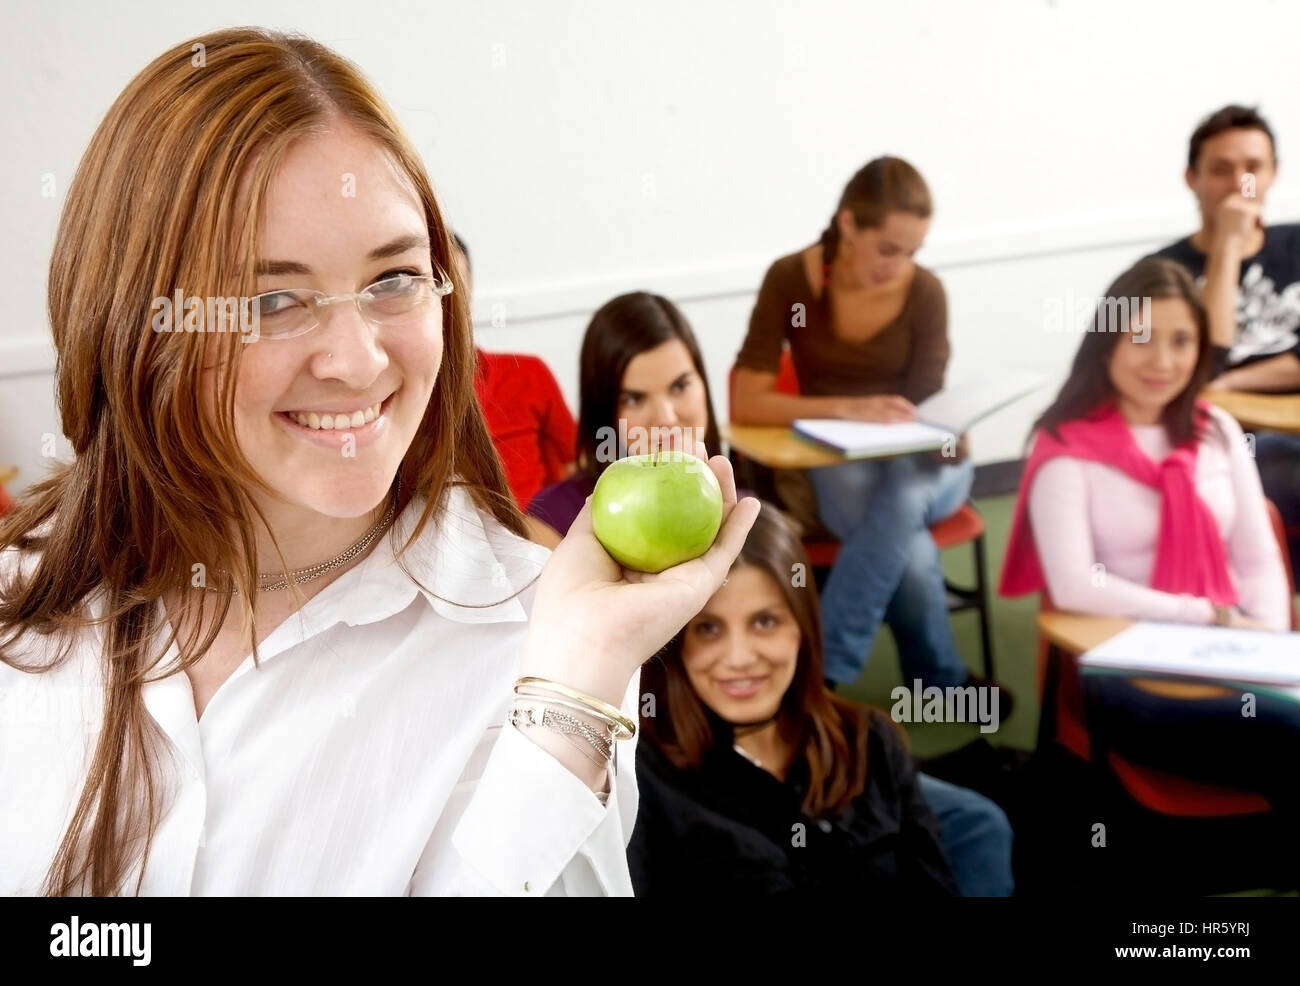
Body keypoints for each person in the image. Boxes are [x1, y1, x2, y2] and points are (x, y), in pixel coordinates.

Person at [0, 27, 759, 897]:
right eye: (272, 300)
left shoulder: (533, 644)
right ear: (139, 324)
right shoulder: (26, 603)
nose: (358, 362)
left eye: (393, 278)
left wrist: (572, 693)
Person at [528, 291, 1014, 894]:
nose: (667, 417)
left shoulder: (732, 483)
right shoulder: (570, 527)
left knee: (974, 822)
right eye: (634, 397)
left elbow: (788, 605)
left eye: (681, 386)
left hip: (786, 726)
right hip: (667, 756)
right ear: (605, 408)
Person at [1000, 257, 1298, 811]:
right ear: (1108, 342)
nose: (1163, 361)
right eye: (1142, 338)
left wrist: (1271, 652)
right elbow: (1074, 586)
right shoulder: (1065, 446)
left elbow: (1258, 558)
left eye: (1182, 340)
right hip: (1131, 673)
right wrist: (1205, 616)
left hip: (1240, 652)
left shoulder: (1218, 430)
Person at [732, 157, 1010, 713]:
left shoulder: (925, 292)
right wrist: (848, 408)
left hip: (928, 465)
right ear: (849, 225)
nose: (899, 265)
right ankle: (942, 684)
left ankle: (821, 673)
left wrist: (951, 429)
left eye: (912, 251)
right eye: (888, 248)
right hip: (844, 459)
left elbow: (931, 406)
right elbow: (745, 401)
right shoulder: (792, 280)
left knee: (905, 492)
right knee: (908, 549)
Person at [628, 501, 1014, 896]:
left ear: (803, 627)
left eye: (765, 622)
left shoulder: (872, 741)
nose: (740, 657)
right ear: (678, 645)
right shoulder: (641, 785)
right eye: (708, 629)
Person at [1150, 105, 1300, 574]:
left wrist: (1232, 384)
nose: (1240, 183)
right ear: (1191, 179)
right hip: (1224, 442)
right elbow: (1204, 364)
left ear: (1273, 173)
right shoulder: (1161, 274)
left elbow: (1218, 379)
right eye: (1220, 170)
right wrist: (1228, 250)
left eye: (1253, 167)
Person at [455, 234, 579, 509]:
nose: (444, 306)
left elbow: (579, 467)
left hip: (537, 541)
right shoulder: (394, 398)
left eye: (454, 291)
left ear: (471, 293)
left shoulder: (529, 373)